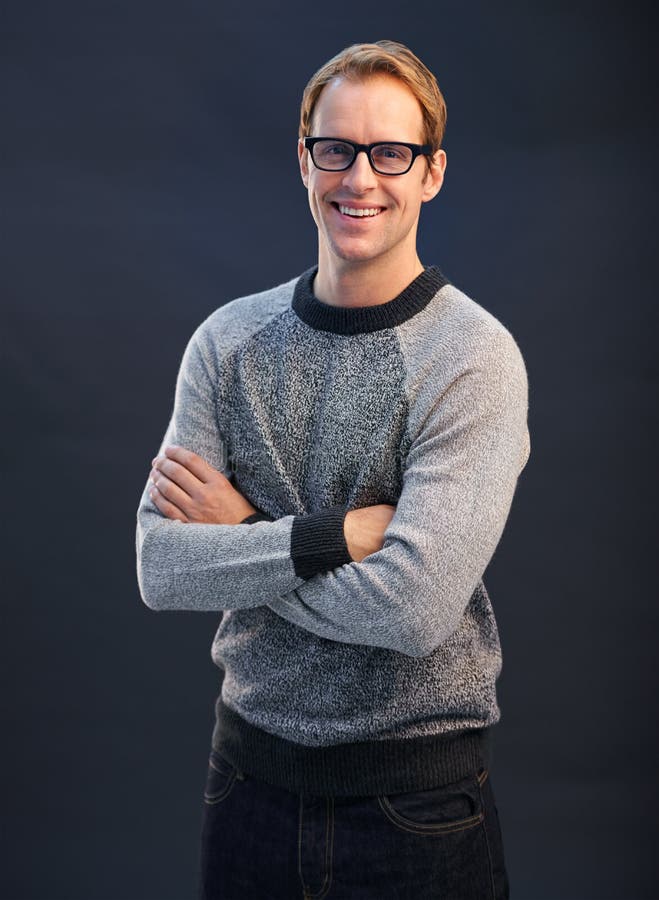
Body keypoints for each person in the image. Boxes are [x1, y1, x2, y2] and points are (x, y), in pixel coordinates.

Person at [136, 39, 530, 899]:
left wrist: (241, 534)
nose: (360, 178)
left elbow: (413, 610)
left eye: (391, 152)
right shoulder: (227, 342)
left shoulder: (472, 359)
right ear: (303, 160)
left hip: (418, 808)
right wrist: (335, 539)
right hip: (246, 787)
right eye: (336, 149)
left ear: (430, 173)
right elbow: (161, 568)